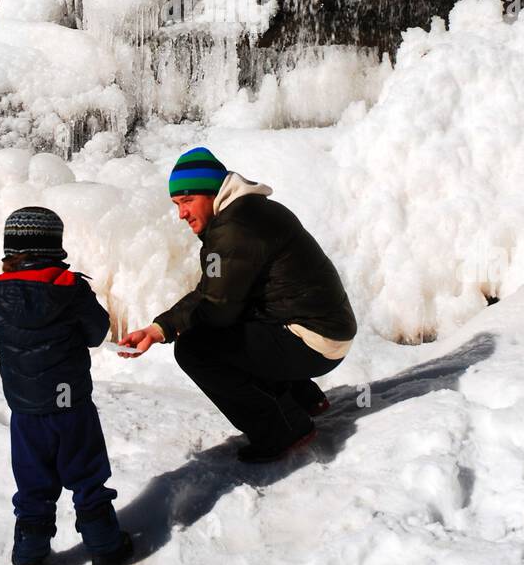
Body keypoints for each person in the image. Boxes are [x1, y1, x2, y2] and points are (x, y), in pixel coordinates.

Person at [118, 147, 357, 463]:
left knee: (196, 349)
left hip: (314, 339)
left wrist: (174, 332)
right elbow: (214, 290)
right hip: (324, 329)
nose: (181, 213)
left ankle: (284, 429)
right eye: (177, 204)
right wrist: (159, 328)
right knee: (237, 318)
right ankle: (303, 398)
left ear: (213, 192)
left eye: (188, 201)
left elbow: (217, 308)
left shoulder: (234, 230)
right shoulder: (250, 211)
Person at [0, 205, 132, 565]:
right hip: (71, 405)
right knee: (88, 477)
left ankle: (31, 558)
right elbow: (96, 334)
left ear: (10, 251)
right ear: (55, 247)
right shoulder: (72, 289)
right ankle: (105, 551)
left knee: (33, 484)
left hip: (27, 413)